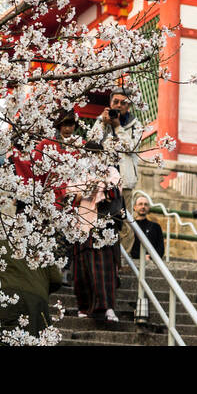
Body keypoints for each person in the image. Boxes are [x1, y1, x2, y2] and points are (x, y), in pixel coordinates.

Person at [68, 155, 123, 322]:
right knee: (81, 273)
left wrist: (99, 183)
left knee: (104, 271)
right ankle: (84, 307)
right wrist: (88, 186)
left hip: (103, 227)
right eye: (89, 154)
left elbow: (113, 193)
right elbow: (71, 194)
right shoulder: (78, 173)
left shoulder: (111, 172)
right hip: (81, 227)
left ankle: (108, 308)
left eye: (98, 154)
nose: (94, 158)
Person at [86, 89, 143, 192]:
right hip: (102, 183)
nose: (119, 105)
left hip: (125, 183)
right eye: (115, 102)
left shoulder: (135, 125)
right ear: (110, 103)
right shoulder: (101, 121)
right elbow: (91, 143)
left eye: (123, 103)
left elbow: (132, 148)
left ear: (129, 105)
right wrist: (103, 124)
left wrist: (117, 127)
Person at [127, 193, 166, 261]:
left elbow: (161, 248)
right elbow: (128, 248)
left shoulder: (156, 227)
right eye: (140, 204)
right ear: (134, 207)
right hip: (133, 261)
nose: (143, 207)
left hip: (151, 261)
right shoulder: (130, 226)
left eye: (146, 204)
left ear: (148, 208)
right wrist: (141, 257)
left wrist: (150, 257)